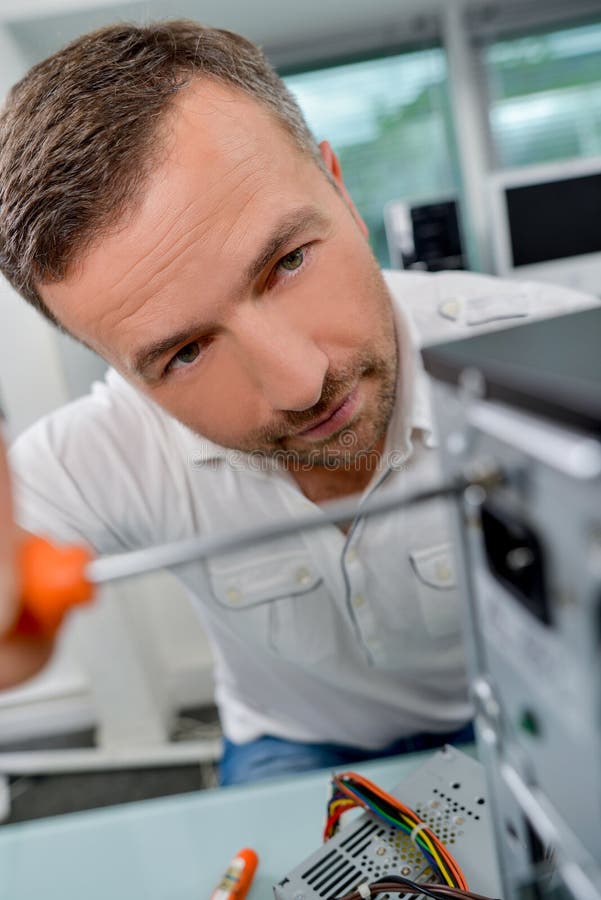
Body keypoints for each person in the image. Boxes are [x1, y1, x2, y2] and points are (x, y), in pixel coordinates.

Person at [0, 21, 594, 784]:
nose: (300, 385)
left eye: (287, 263)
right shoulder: (103, 450)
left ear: (339, 189)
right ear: (115, 365)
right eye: (185, 353)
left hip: (512, 705)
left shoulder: (558, 356)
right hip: (293, 741)